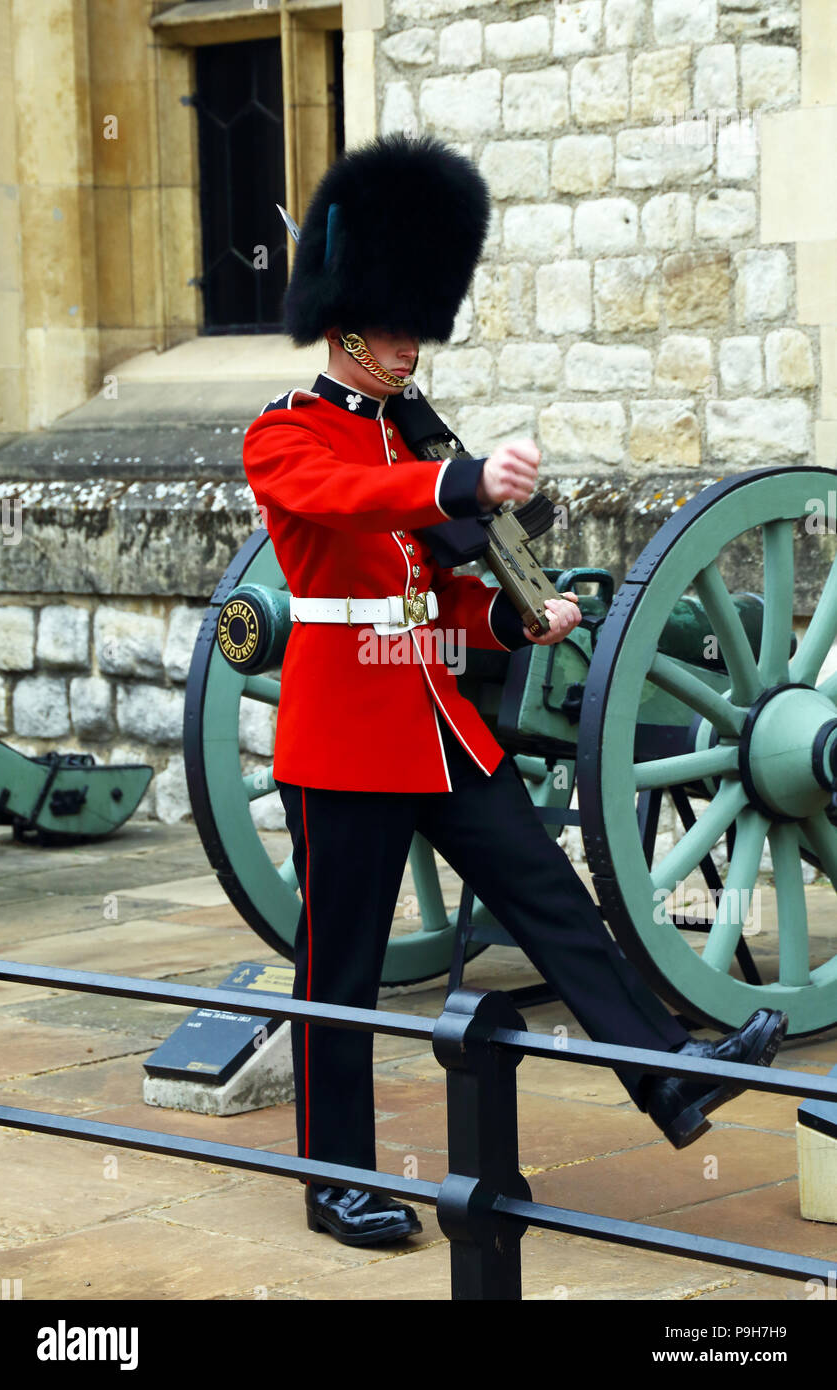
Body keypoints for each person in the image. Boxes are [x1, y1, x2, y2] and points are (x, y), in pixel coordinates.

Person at [242, 134, 787, 1249]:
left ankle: (667, 1078)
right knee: (335, 974)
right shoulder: (286, 434)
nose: (409, 345)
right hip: (343, 740)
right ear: (346, 323)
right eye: (395, 326)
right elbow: (352, 502)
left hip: (432, 723)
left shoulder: (405, 433)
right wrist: (463, 477)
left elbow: (430, 594)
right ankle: (330, 1175)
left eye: (416, 325)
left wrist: (517, 617)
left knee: (554, 903)